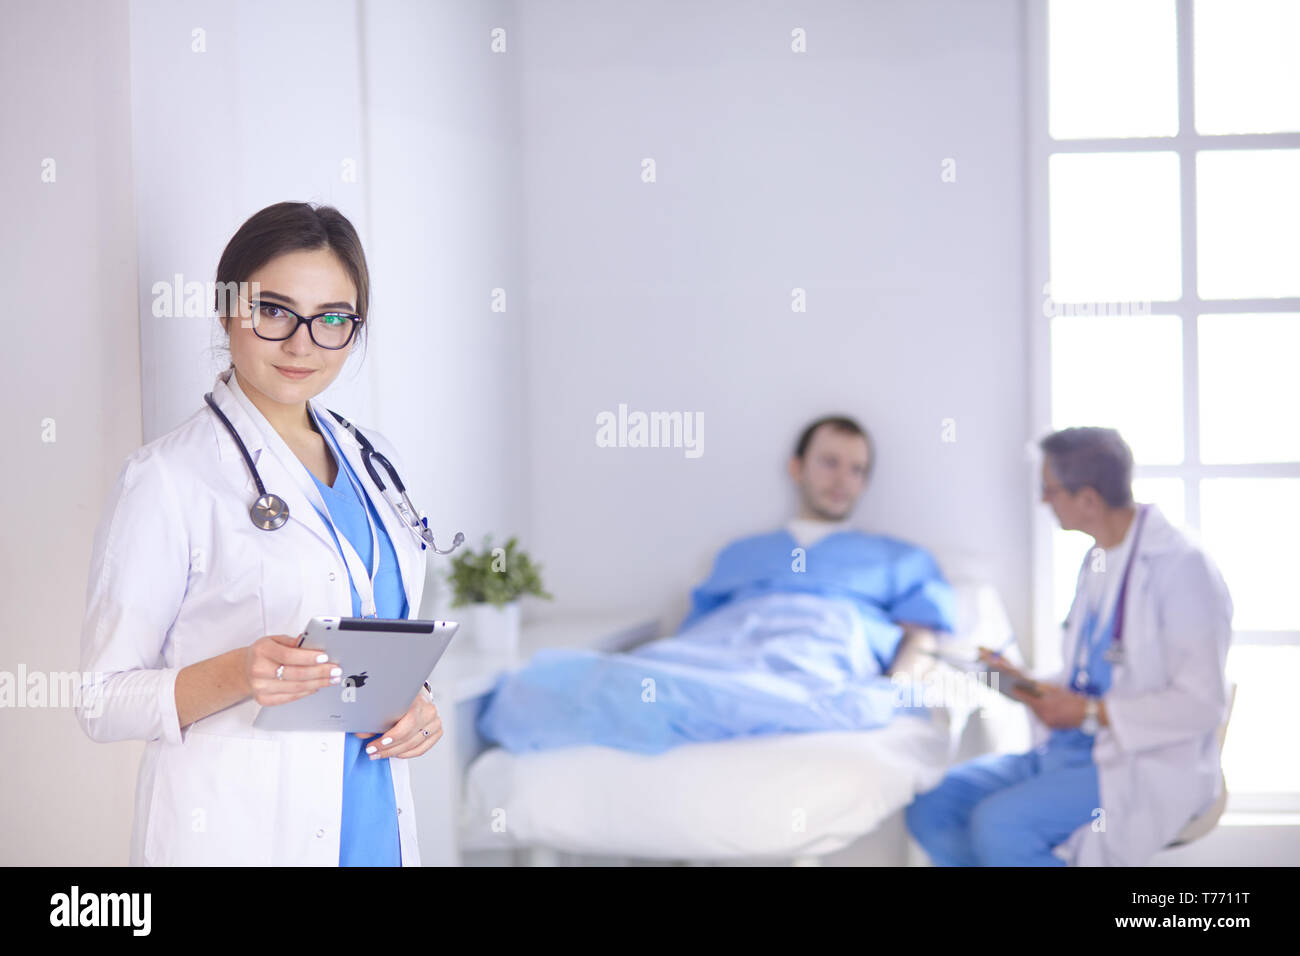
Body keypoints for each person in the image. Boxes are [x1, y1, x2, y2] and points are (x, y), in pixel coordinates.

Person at [76, 202, 445, 866]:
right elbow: (101, 702)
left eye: (333, 318)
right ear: (227, 310)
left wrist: (417, 703)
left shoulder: (372, 460)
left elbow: (371, 633)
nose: (302, 344)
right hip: (238, 831)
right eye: (274, 311)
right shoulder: (167, 477)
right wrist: (239, 671)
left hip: (371, 828)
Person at [905, 426, 1233, 866]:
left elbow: (1201, 704)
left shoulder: (1183, 568)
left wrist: (1090, 713)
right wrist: (1023, 683)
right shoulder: (1098, 559)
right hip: (1070, 750)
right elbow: (1094, 673)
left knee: (999, 825)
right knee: (935, 804)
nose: (1043, 500)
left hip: (1140, 764)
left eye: (1050, 489)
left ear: (1089, 500)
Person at [680, 414, 955, 676]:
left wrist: (899, 686)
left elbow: (920, 640)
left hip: (825, 669)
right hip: (722, 667)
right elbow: (696, 637)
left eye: (856, 469)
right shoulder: (740, 555)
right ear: (796, 467)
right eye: (829, 462)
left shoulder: (899, 560)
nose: (842, 480)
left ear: (864, 483)